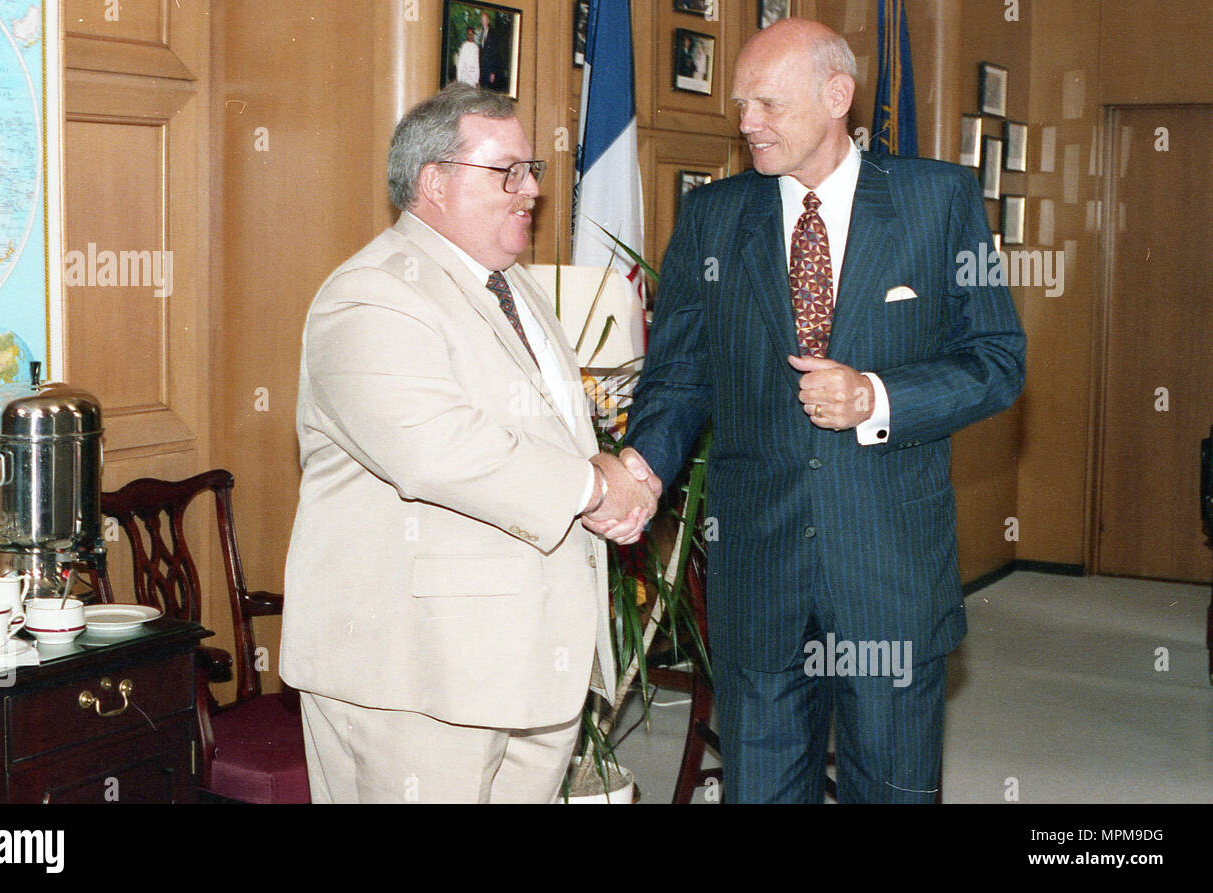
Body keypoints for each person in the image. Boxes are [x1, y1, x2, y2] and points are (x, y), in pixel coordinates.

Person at [617, 18, 1025, 803]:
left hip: (888, 575)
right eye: (741, 104)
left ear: (837, 96)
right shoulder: (714, 217)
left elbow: (998, 361)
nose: (746, 123)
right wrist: (639, 468)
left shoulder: (936, 202)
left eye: (768, 103)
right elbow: (679, 377)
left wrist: (877, 395)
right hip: (758, 573)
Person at [281, 84, 654, 803]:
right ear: (434, 181)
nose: (531, 191)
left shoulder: (510, 286)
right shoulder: (370, 294)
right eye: (506, 172)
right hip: (416, 678)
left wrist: (602, 465)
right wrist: (595, 487)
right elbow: (438, 449)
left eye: (532, 171)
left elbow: (547, 432)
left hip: (523, 665)